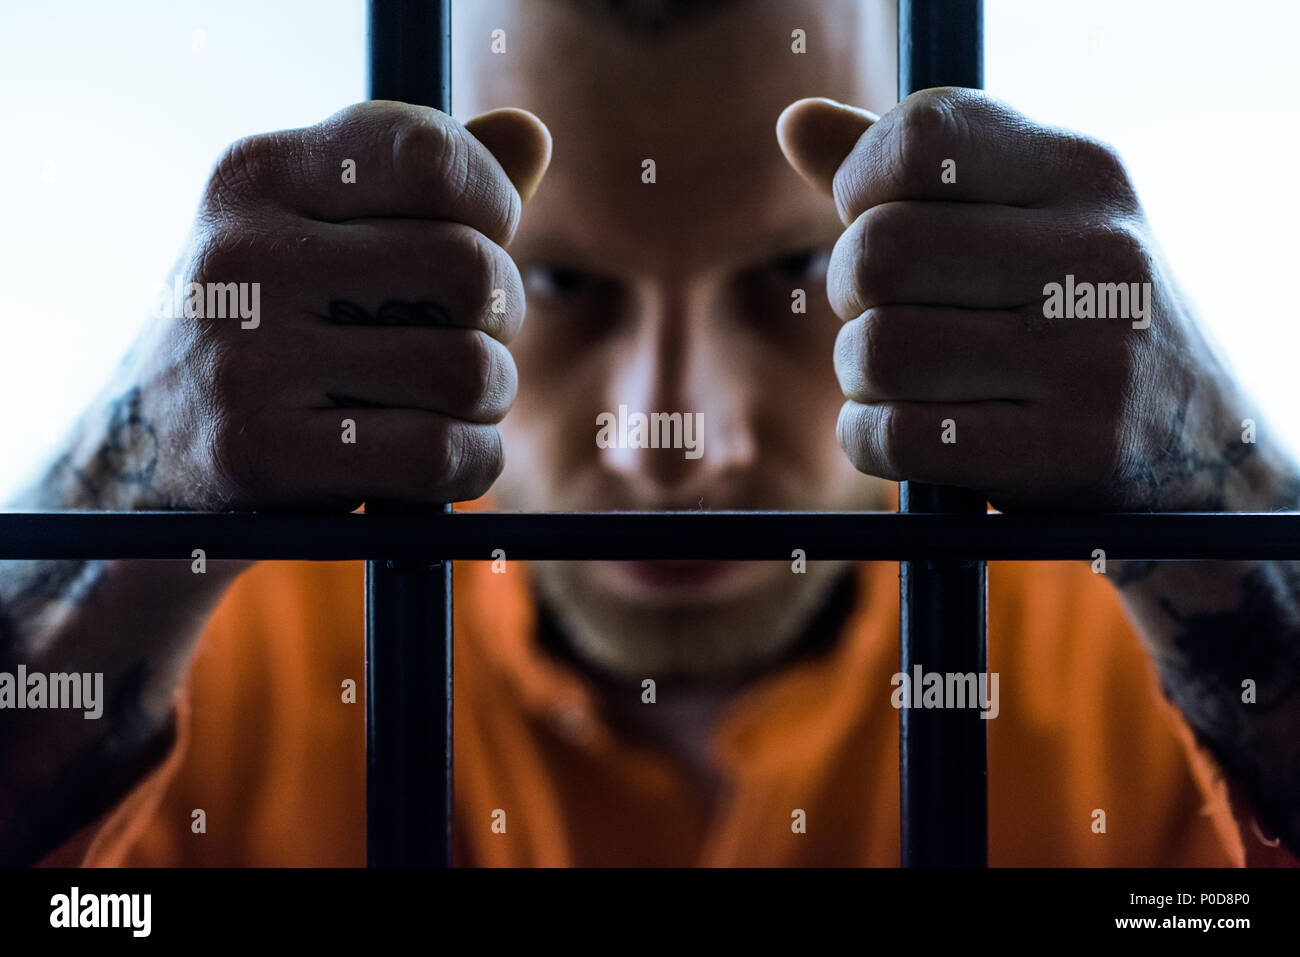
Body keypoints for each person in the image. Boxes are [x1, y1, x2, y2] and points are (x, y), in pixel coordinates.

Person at [3, 0, 1298, 866]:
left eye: (798, 267)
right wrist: (136, 488)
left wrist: (1217, 517)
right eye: (561, 282)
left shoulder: (1126, 664)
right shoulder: (229, 647)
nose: (677, 436)